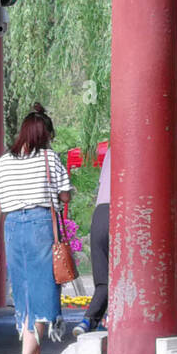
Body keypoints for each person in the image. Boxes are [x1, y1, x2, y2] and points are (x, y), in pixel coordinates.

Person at [0, 103, 72, 354]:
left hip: (13, 229)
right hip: (40, 225)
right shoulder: (49, 158)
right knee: (43, 296)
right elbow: (65, 197)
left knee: (25, 297)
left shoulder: (2, 163)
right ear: (44, 135)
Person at [74, 144, 109, 336]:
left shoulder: (111, 150)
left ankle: (87, 321)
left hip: (100, 213)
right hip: (124, 209)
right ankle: (105, 320)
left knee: (103, 280)